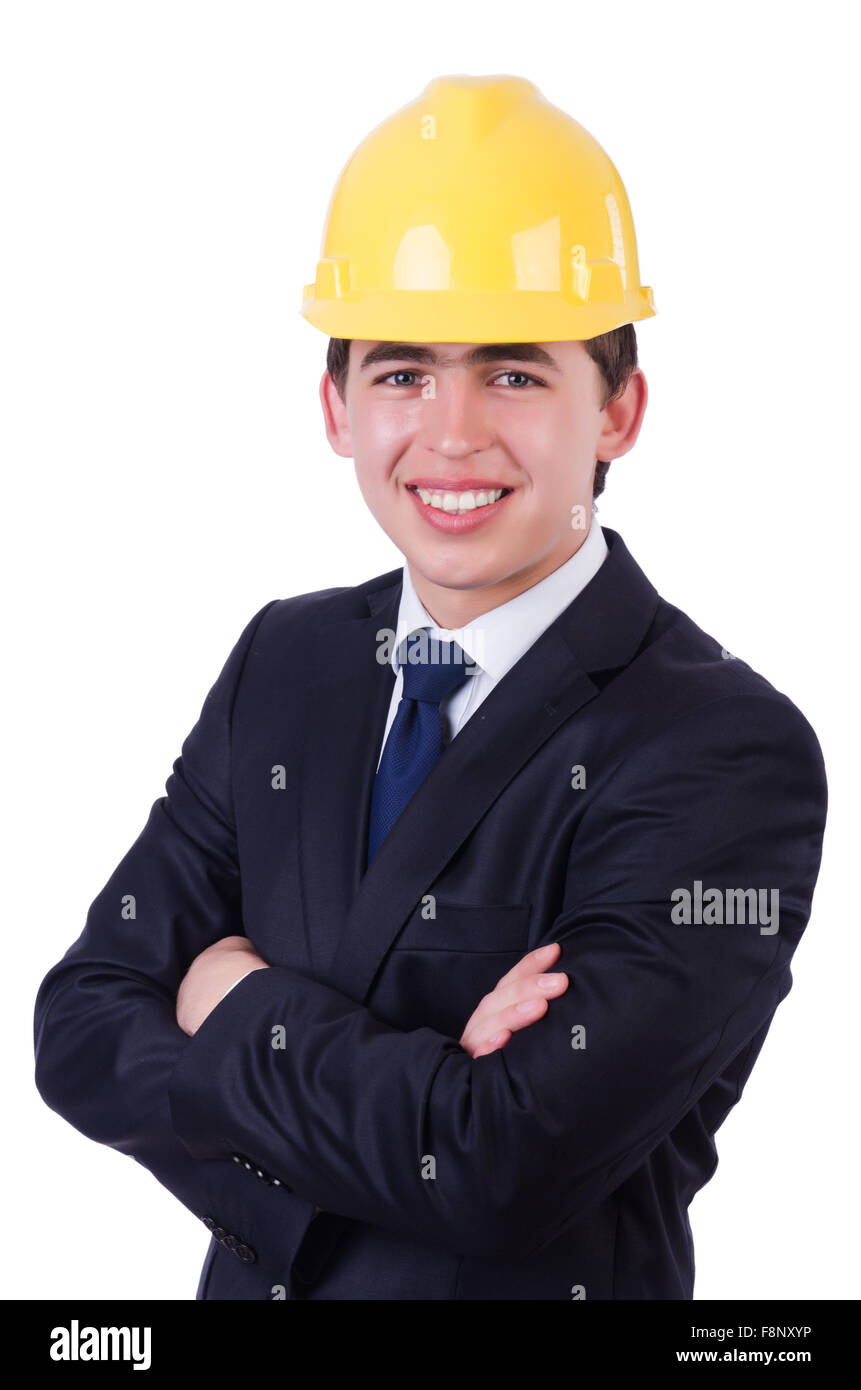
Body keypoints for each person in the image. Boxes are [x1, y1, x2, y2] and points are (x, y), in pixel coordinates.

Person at [33, 73, 827, 1300]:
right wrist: (424, 1082)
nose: (450, 433)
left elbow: (502, 1163)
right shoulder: (285, 664)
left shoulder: (724, 750)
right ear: (335, 408)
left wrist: (231, 998)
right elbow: (80, 1025)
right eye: (403, 373)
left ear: (618, 410)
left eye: (513, 375)